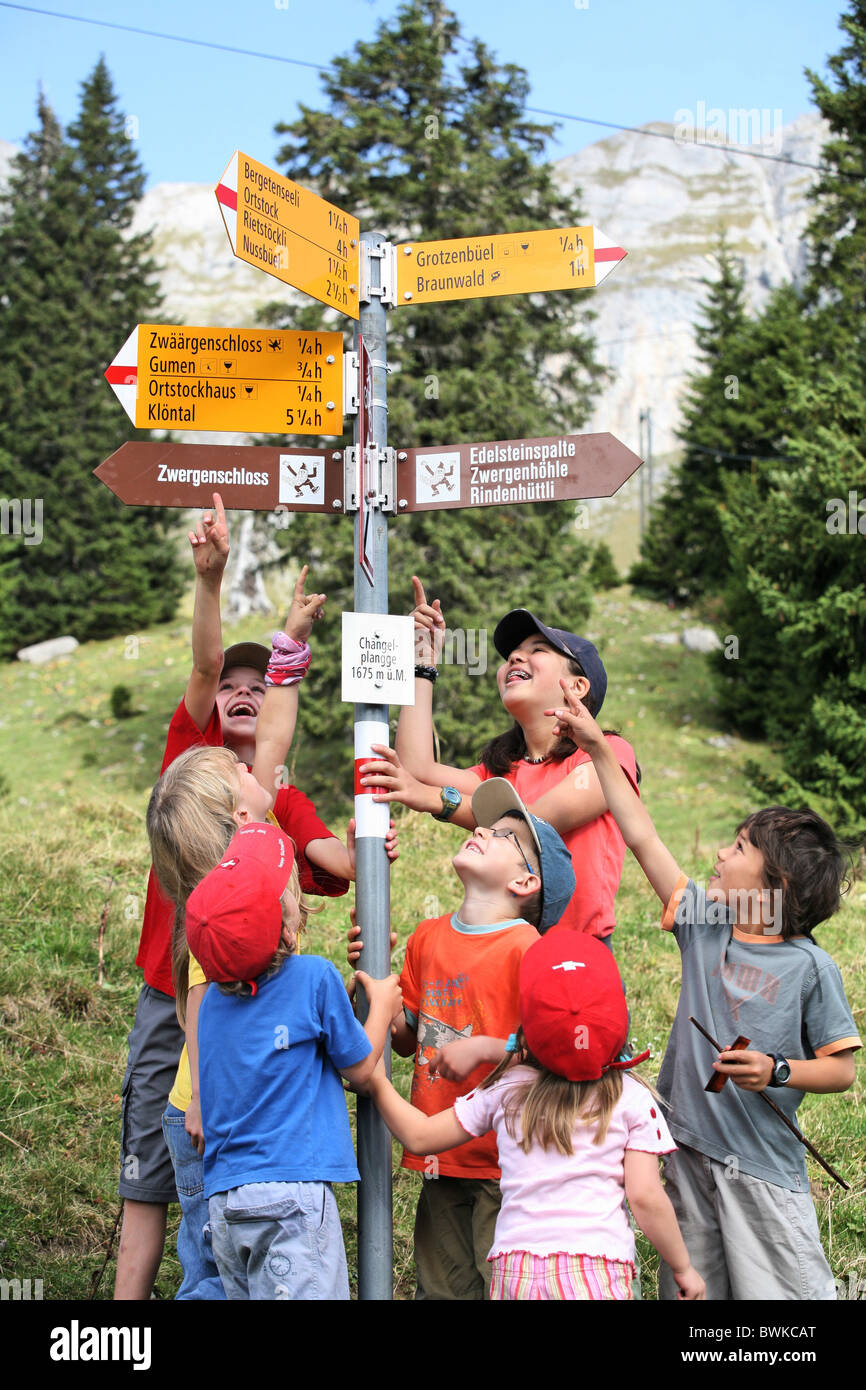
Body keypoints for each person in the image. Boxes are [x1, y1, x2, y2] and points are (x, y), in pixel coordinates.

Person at [114, 494, 375, 1300]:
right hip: (175, 1001)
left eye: (256, 685)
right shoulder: (194, 768)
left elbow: (325, 844)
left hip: (244, 1024)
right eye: (231, 682)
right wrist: (212, 577)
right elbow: (201, 669)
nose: (239, 691)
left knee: (211, 1212)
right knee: (154, 1168)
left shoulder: (266, 796)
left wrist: (375, 849)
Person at [549, 682, 860, 1301]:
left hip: (761, 1170)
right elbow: (641, 835)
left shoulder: (809, 968)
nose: (719, 852)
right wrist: (597, 749)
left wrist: (777, 1070)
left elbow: (842, 1071)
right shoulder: (704, 925)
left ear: (776, 885)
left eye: (738, 847)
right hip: (686, 1150)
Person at [360, 929, 705, 1301]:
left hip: (516, 1271)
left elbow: (421, 1137)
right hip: (595, 1271)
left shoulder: (508, 1088)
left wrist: (377, 1082)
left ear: (526, 1030)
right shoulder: (631, 1098)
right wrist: (682, 1267)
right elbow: (646, 1198)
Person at [361, 777, 576, 1299]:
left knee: (508, 1286)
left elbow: (556, 1048)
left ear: (526, 884)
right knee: (443, 1287)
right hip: (440, 1153)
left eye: (504, 836)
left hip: (509, 1165)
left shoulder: (528, 951)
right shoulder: (427, 937)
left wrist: (491, 1048)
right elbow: (409, 1040)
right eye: (485, 824)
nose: (481, 829)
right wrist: (376, 983)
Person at [358, 577, 638, 947]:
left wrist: (437, 800)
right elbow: (415, 769)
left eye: (537, 649)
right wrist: (422, 665)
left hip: (577, 956)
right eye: (511, 654)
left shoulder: (608, 752)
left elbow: (531, 822)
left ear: (579, 687)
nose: (515, 658)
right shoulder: (502, 770)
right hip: (500, 950)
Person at [186, 821, 402, 1300]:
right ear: (286, 922)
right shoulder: (314, 976)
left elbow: (287, 1038)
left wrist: (342, 1009)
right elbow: (361, 1069)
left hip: (225, 1202)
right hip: (291, 1197)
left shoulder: (211, 1009)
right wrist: (382, 1006)